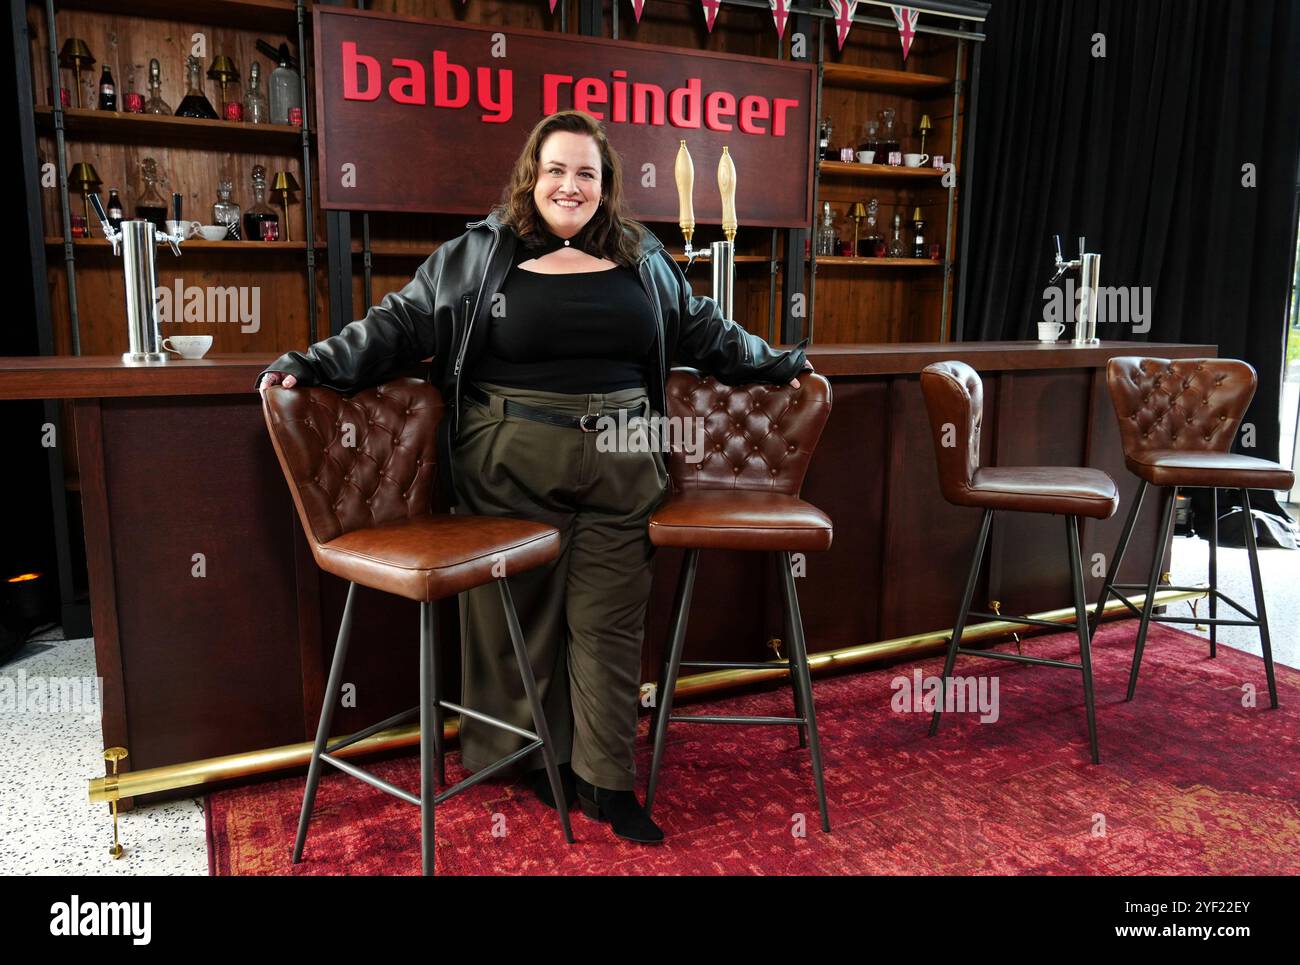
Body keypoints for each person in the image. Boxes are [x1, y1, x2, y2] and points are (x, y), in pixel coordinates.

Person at [257, 109, 812, 844]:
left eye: (586, 172)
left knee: (610, 620)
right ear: (532, 175)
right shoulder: (481, 252)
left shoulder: (642, 257)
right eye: (556, 169)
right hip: (507, 450)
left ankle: (605, 781)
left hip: (625, 450)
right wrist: (317, 361)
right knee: (516, 619)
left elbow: (705, 331)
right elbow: (401, 322)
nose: (570, 185)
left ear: (606, 184)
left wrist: (780, 360)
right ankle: (521, 760)